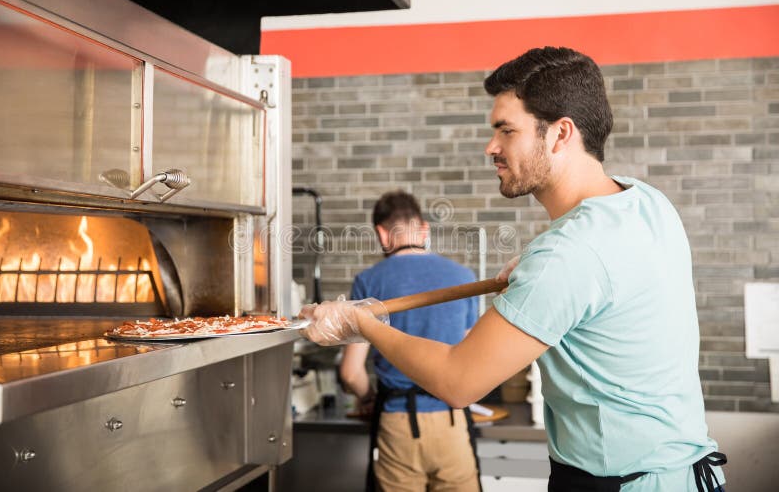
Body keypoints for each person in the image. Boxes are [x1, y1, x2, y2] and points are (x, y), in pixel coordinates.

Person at [301, 46, 726, 492]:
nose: (491, 147)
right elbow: (607, 278)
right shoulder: (645, 202)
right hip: (688, 473)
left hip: (625, 484)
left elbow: (457, 381)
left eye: (507, 131)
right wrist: (538, 264)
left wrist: (361, 321)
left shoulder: (567, 255)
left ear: (561, 134)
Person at [339, 190, 481, 492]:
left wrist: (368, 398)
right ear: (424, 229)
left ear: (382, 233)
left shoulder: (369, 282)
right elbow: (473, 361)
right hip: (452, 422)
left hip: (397, 423)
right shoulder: (464, 277)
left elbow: (350, 373)